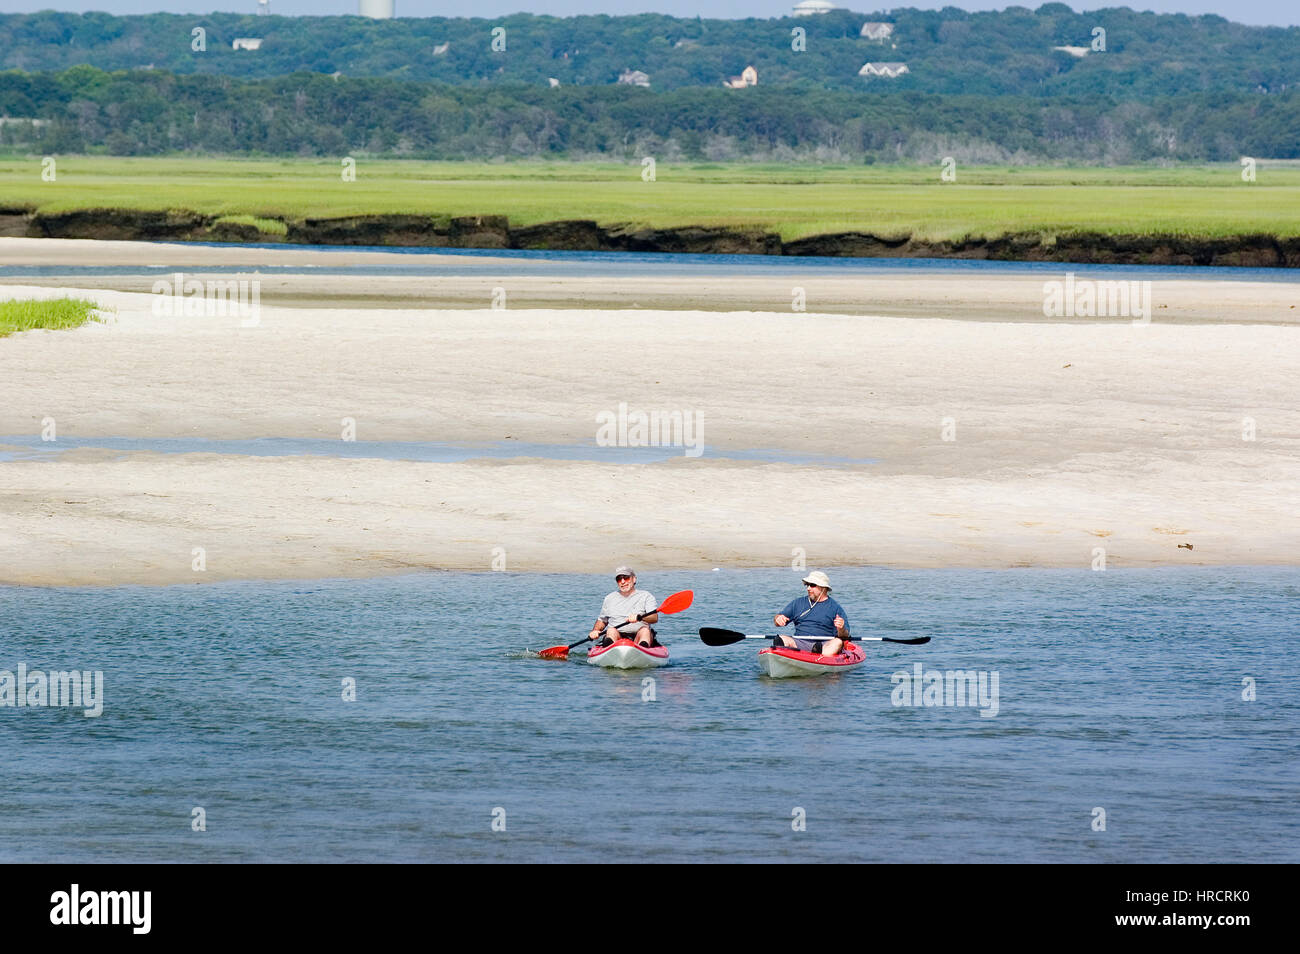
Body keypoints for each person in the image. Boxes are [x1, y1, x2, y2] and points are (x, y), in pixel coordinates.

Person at [773, 571, 850, 656]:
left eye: (812, 585)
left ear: (823, 588)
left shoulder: (835, 608)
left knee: (837, 642)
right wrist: (778, 619)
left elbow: (845, 636)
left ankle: (819, 657)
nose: (808, 588)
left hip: (824, 645)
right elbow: (776, 621)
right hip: (799, 642)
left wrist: (841, 628)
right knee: (781, 639)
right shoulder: (798, 603)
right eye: (807, 585)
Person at [589, 567, 659, 647]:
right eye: (619, 579)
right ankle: (610, 650)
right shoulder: (609, 598)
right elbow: (602, 620)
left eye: (626, 578)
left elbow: (654, 618)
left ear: (634, 579)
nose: (622, 582)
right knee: (611, 630)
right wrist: (595, 631)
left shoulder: (646, 596)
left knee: (645, 631)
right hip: (617, 637)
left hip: (639, 636)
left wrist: (640, 617)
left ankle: (642, 651)